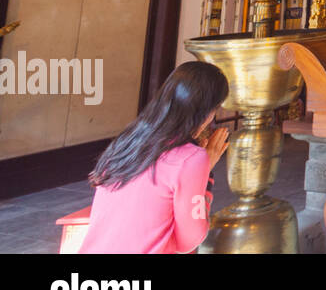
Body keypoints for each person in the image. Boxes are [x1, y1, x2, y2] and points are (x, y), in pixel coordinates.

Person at [79, 61, 230, 254]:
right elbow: (190, 241)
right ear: (208, 111)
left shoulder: (127, 140)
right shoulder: (192, 159)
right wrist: (206, 170)